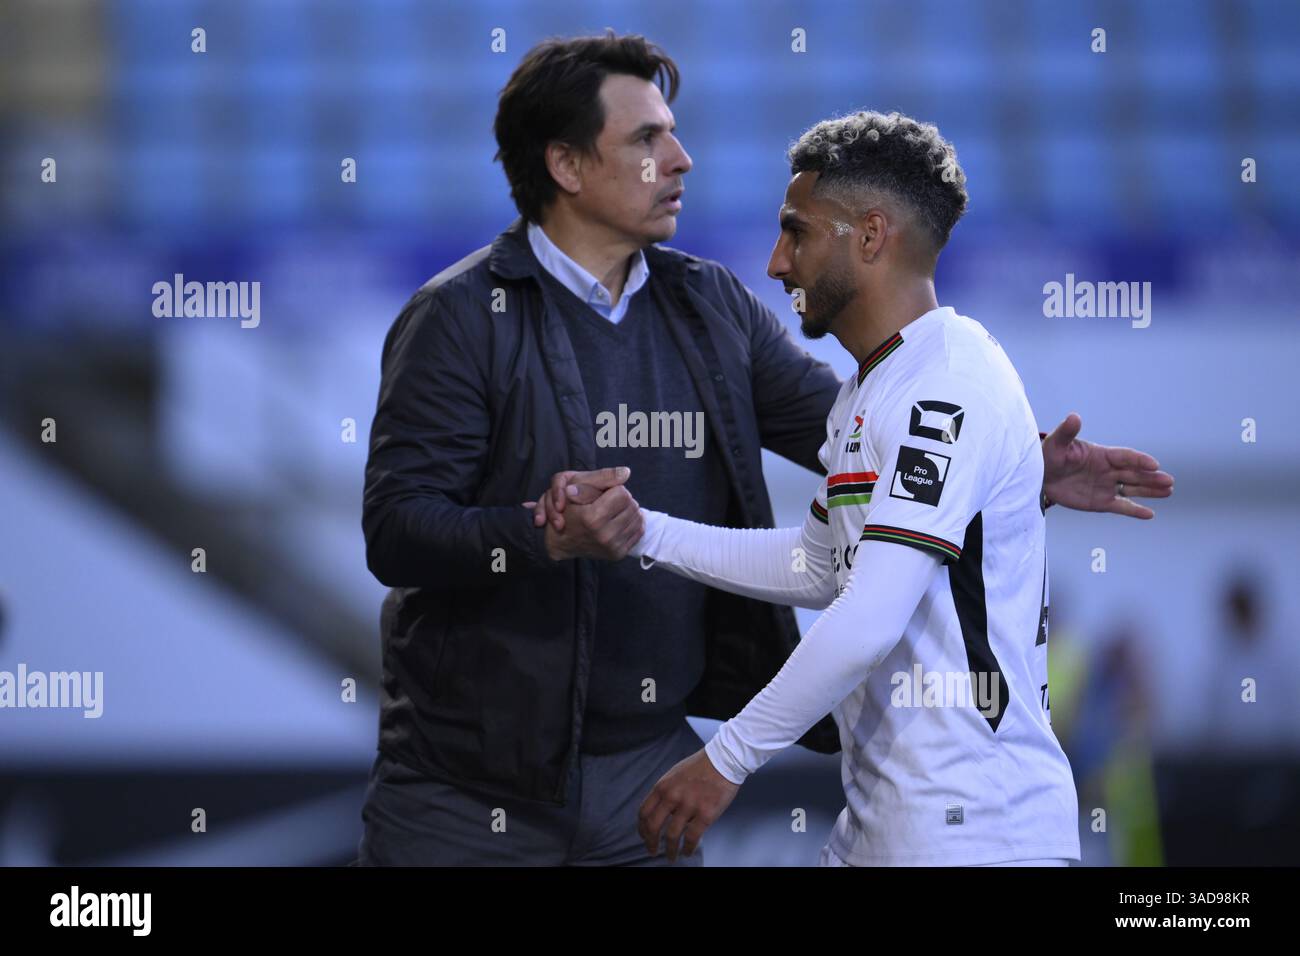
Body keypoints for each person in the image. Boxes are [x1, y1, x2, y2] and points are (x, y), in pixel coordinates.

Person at [360, 32, 1172, 867]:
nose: (680, 158)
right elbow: (394, 532)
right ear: (566, 166)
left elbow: (880, 442)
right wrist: (540, 535)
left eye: (672, 132)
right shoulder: (458, 317)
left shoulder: (709, 304)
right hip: (464, 787)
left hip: (649, 769)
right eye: (646, 139)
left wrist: (1016, 460)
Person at [546, 109, 1174, 866]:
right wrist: (642, 530)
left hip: (980, 838)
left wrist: (726, 759)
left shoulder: (949, 379)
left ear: (870, 236)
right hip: (884, 835)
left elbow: (871, 614)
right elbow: (819, 568)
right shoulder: (867, 392)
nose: (778, 263)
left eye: (797, 232)